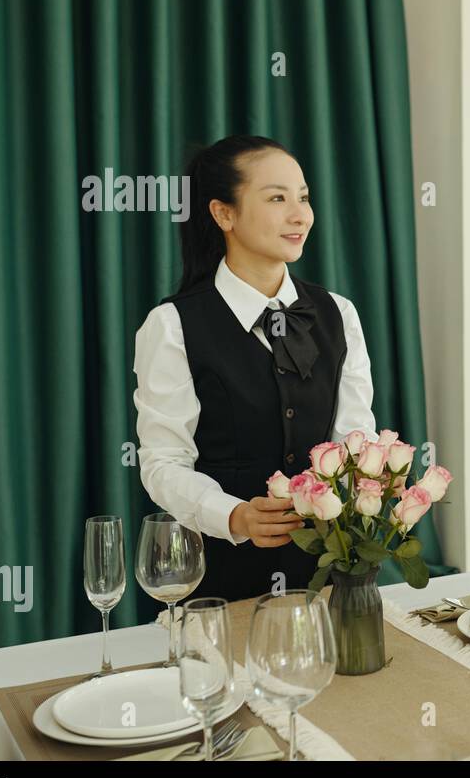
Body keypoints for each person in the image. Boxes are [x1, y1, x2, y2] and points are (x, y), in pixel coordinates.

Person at [133, 134, 378, 600]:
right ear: (224, 213)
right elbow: (163, 463)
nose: (300, 214)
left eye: (303, 197)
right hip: (221, 585)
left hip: (330, 578)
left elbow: (354, 439)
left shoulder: (338, 313)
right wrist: (233, 515)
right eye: (277, 198)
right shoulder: (171, 326)